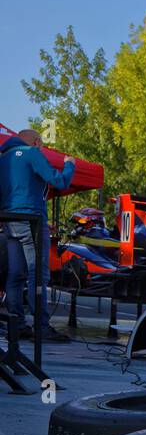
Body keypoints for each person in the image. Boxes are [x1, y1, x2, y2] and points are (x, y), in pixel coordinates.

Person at [0, 129, 75, 344]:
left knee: (15, 275)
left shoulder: (3, 158)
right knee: (37, 274)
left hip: (10, 221)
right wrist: (70, 164)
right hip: (31, 220)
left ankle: (17, 325)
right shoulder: (32, 153)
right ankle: (41, 327)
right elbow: (59, 181)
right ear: (37, 141)